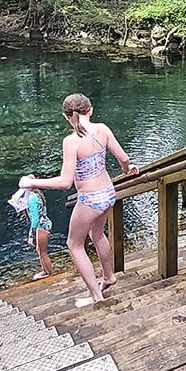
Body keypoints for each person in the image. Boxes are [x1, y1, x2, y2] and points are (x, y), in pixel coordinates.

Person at [19, 93, 138, 308]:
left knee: (74, 245)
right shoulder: (102, 129)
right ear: (90, 110)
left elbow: (65, 182)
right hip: (108, 192)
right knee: (97, 234)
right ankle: (109, 276)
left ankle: (97, 297)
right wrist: (127, 170)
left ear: (66, 116)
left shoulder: (71, 141)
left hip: (90, 199)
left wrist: (32, 183)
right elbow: (124, 158)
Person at [27, 186, 53, 280]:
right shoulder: (37, 195)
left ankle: (49, 273)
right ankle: (44, 270)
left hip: (41, 226)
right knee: (39, 250)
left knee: (43, 252)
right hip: (44, 224)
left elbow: (35, 219)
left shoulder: (32, 198)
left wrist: (31, 235)